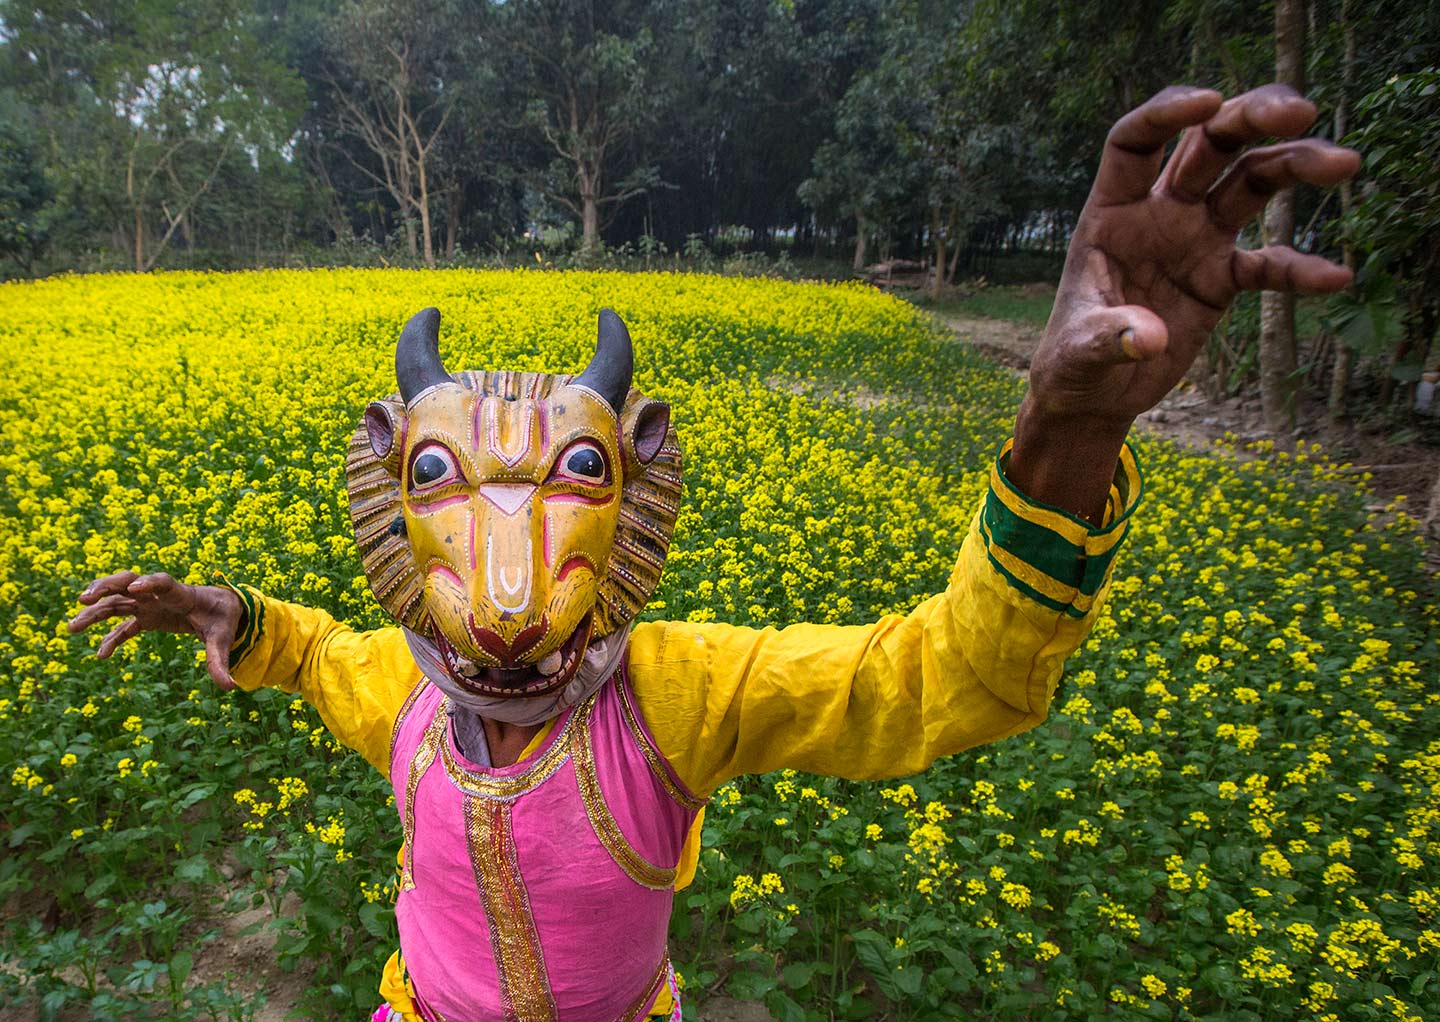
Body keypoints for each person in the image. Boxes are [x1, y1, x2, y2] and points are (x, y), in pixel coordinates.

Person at [70, 85, 1358, 1022]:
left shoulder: (676, 697)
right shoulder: (402, 689)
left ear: (640, 479)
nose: (507, 572)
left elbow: (943, 678)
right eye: (442, 482)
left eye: (578, 476)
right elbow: (320, 656)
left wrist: (1066, 432)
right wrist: (234, 615)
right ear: (387, 483)